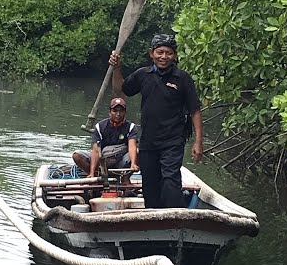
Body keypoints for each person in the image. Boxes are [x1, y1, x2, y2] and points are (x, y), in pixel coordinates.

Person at [109, 34, 202, 208]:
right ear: (151, 53)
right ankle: (154, 217)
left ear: (174, 55)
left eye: (168, 53)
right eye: (160, 52)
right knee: (150, 185)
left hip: (173, 141)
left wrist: (198, 143)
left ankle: (177, 217)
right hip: (148, 142)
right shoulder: (142, 75)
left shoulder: (182, 79)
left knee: (170, 182)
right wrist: (116, 69)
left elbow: (195, 110)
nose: (164, 57)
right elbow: (119, 92)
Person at [73, 96, 140, 177]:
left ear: (125, 112)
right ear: (109, 112)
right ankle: (94, 175)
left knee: (139, 151)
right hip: (103, 159)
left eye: (121, 111)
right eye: (115, 111)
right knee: (77, 155)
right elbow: (96, 150)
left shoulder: (131, 127)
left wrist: (133, 163)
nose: (118, 114)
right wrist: (91, 171)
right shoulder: (100, 127)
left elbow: (132, 146)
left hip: (121, 160)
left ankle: (125, 178)